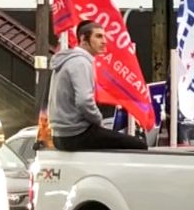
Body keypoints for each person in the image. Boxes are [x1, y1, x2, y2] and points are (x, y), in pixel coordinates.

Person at [47, 21, 148, 152]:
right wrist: (98, 120)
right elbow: (84, 101)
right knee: (138, 145)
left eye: (104, 37)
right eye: (98, 36)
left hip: (59, 135)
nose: (104, 41)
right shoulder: (81, 63)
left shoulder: (68, 61)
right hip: (76, 134)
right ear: (83, 39)